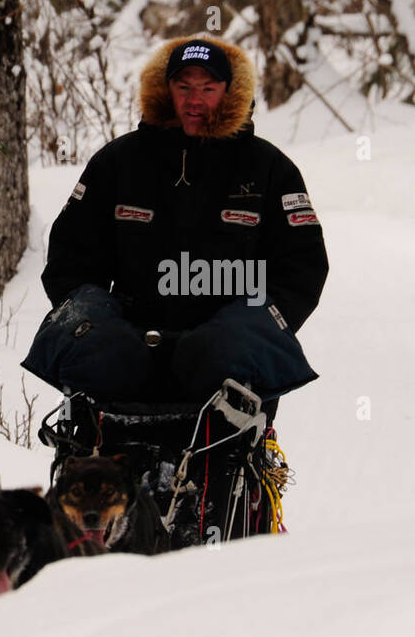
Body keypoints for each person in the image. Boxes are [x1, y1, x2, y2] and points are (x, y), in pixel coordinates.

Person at [22, 35, 328, 407]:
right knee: (95, 362)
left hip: (227, 349)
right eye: (183, 87)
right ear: (166, 90)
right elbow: (71, 259)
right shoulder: (118, 162)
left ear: (230, 92)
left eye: (207, 88)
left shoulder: (270, 169)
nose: (194, 100)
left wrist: (252, 323)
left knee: (216, 354)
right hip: (129, 343)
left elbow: (302, 269)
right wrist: (100, 318)